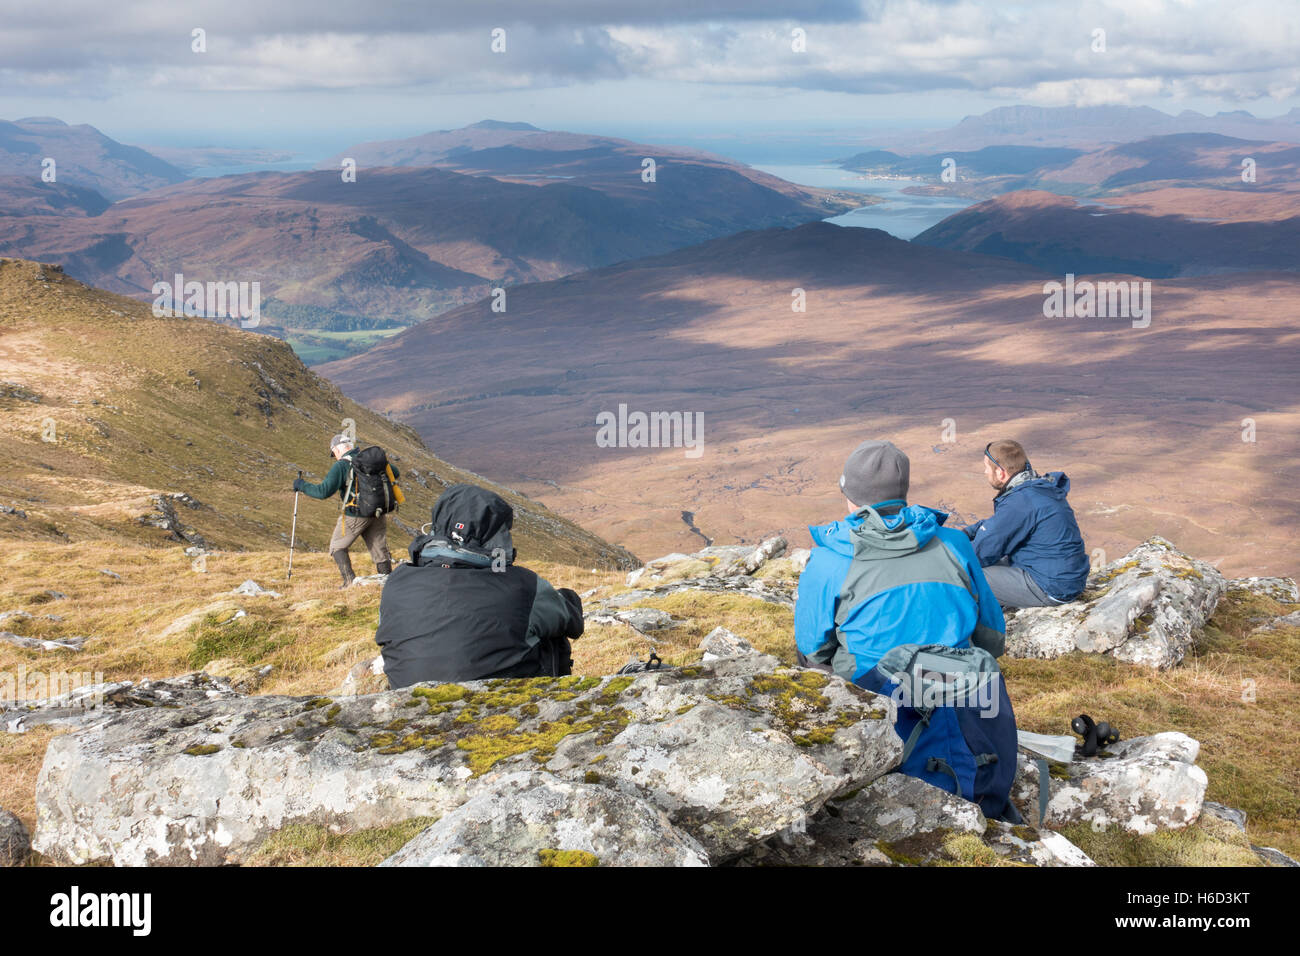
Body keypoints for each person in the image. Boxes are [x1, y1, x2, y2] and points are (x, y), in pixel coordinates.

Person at [795, 439, 1005, 684]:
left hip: (874, 686)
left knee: (807, 655)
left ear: (851, 495)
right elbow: (991, 633)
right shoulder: (956, 544)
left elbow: (814, 648)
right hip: (950, 681)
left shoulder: (828, 560)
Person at [374, 483, 585, 688]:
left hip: (413, 709)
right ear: (496, 536)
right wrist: (566, 597)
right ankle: (557, 696)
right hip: (500, 711)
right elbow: (573, 623)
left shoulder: (397, 581)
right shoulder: (522, 586)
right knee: (551, 636)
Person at [963, 439, 1089, 609]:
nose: (985, 472)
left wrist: (948, 553)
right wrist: (964, 534)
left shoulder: (1021, 501)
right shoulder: (1037, 488)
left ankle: (976, 631)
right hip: (1064, 578)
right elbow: (999, 525)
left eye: (986, 467)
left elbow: (980, 553)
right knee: (994, 561)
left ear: (1001, 473)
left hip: (1051, 586)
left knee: (964, 575)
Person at [293, 433, 393, 588]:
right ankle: (389, 582)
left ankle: (349, 581)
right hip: (378, 510)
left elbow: (323, 491)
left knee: (337, 546)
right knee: (379, 549)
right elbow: (395, 473)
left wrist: (302, 485)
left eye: (334, 454)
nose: (335, 457)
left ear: (337, 450)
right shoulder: (371, 460)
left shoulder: (342, 465)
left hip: (356, 514)